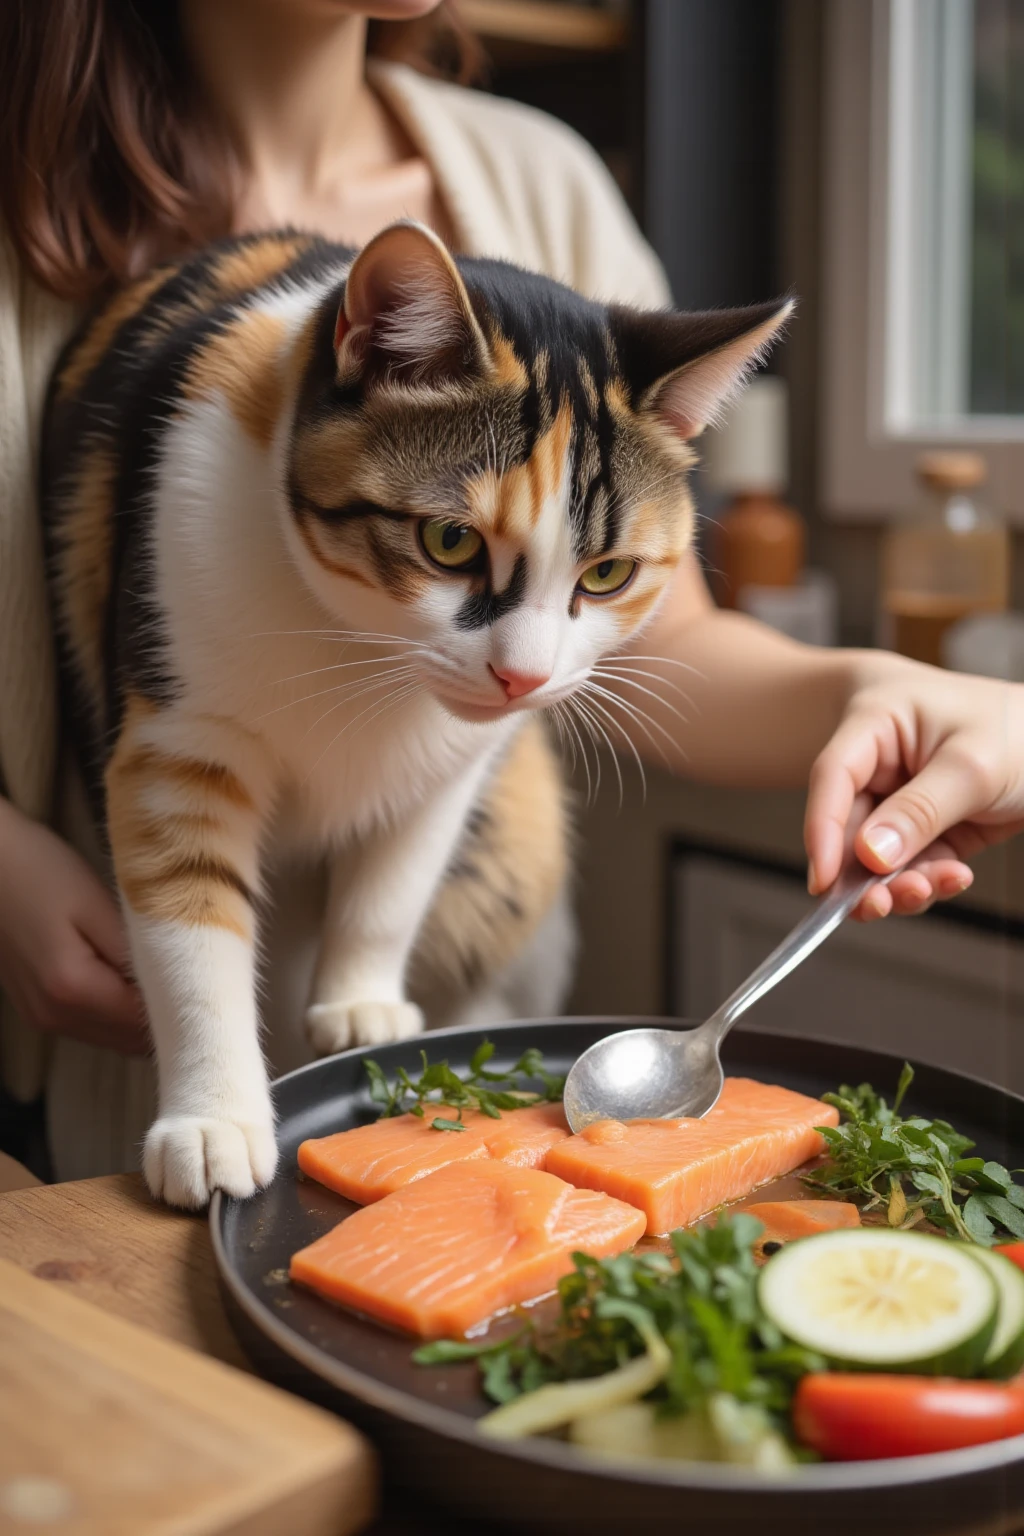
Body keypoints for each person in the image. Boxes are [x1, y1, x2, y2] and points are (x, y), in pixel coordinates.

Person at [0, 0, 1020, 1180]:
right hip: (115, 1082)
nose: (530, 666)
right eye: (451, 550)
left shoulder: (544, 180)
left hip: (460, 1038)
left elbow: (668, 639)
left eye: (589, 578)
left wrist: (890, 689)